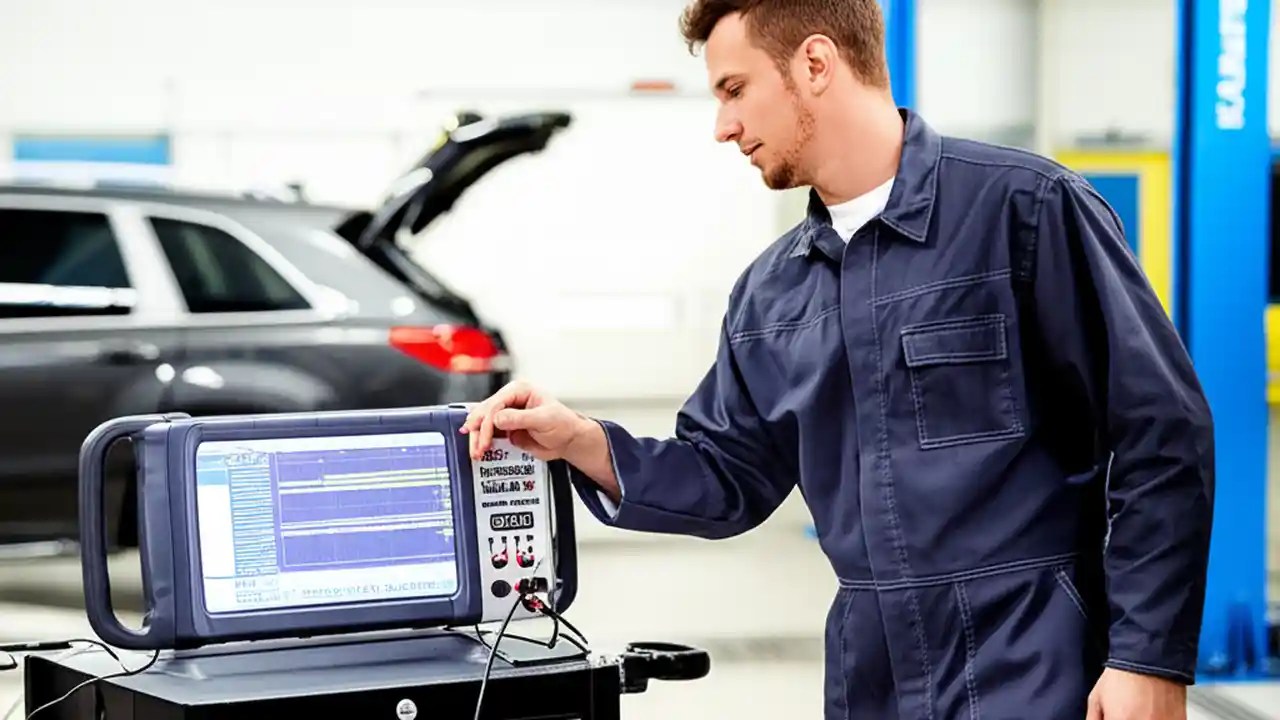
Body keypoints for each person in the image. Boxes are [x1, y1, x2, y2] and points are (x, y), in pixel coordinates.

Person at [461, 1, 1215, 718]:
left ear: (815, 62)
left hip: (1036, 658)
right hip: (871, 672)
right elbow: (728, 473)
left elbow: (1161, 436)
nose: (724, 126)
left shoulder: (1026, 211)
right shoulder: (771, 292)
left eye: (734, 89)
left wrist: (1147, 658)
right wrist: (580, 441)